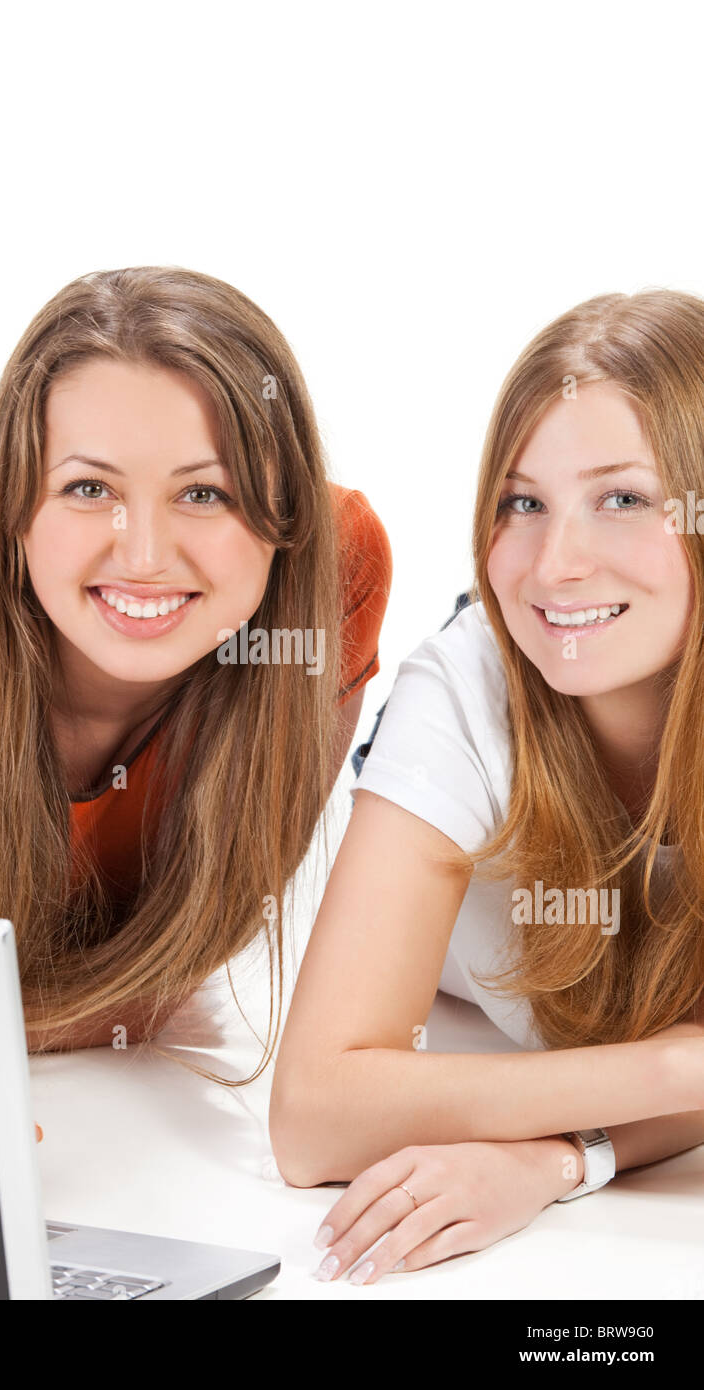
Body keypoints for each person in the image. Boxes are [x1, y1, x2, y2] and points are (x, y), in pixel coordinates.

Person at [0, 266, 392, 1083]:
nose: (142, 557)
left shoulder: (331, 568)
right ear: (13, 507)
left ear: (286, 520)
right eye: (89, 487)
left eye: (204, 493)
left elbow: (194, 945)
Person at [270, 289, 704, 1286]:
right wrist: (670, 1068)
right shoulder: (462, 686)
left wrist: (553, 1158)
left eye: (622, 498)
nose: (553, 566)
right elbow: (311, 1116)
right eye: (521, 502)